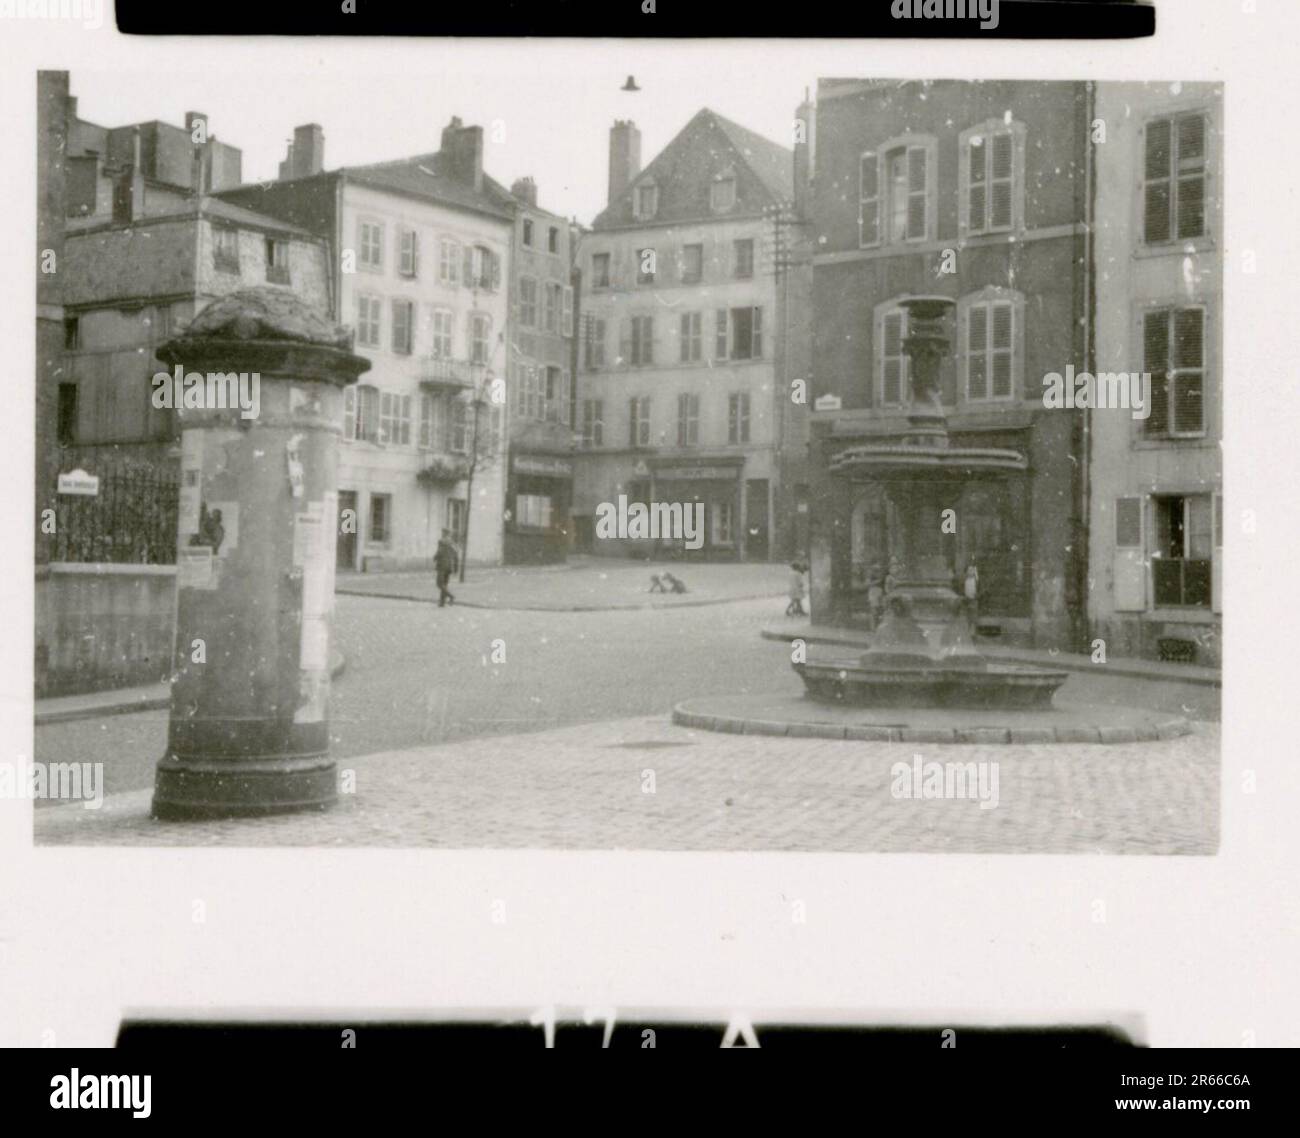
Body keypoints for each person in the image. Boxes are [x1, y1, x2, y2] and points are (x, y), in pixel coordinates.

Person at [434, 528, 459, 607]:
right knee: (445, 584)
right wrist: (456, 568)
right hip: (449, 566)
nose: (442, 534)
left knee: (439, 584)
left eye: (443, 533)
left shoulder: (442, 541)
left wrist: (435, 557)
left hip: (442, 565)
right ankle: (442, 602)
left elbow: (439, 552)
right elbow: (456, 556)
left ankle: (451, 596)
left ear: (444, 533)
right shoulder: (453, 543)